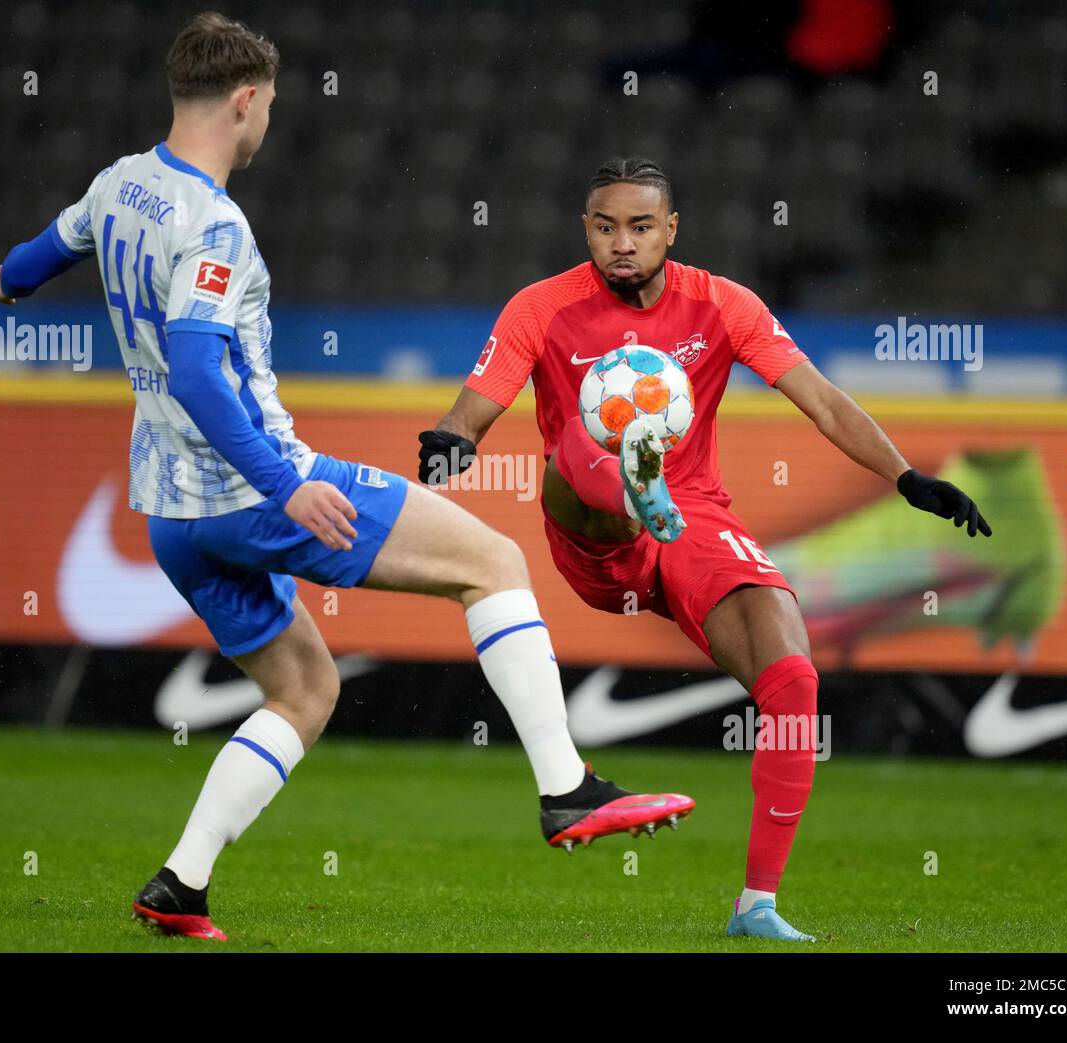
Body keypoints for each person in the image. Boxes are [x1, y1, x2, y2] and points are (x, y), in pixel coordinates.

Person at [0, 19, 693, 942]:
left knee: (303, 692)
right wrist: (285, 488)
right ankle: (565, 788)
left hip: (169, 514)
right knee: (493, 561)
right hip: (255, 490)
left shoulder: (120, 183)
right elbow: (200, 371)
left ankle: (180, 883)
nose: (269, 120)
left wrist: (7, 279)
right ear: (246, 100)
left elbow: (30, 263)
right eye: (270, 104)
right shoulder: (216, 225)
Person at [419, 157, 991, 942]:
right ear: (585, 228)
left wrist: (904, 476)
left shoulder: (723, 304)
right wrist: (450, 445)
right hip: (592, 523)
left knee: (791, 680)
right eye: (605, 226)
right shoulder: (540, 308)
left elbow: (820, 398)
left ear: (671, 230)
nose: (622, 243)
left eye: (641, 227)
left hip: (693, 519)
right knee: (567, 459)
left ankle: (757, 904)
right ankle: (632, 482)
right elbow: (469, 415)